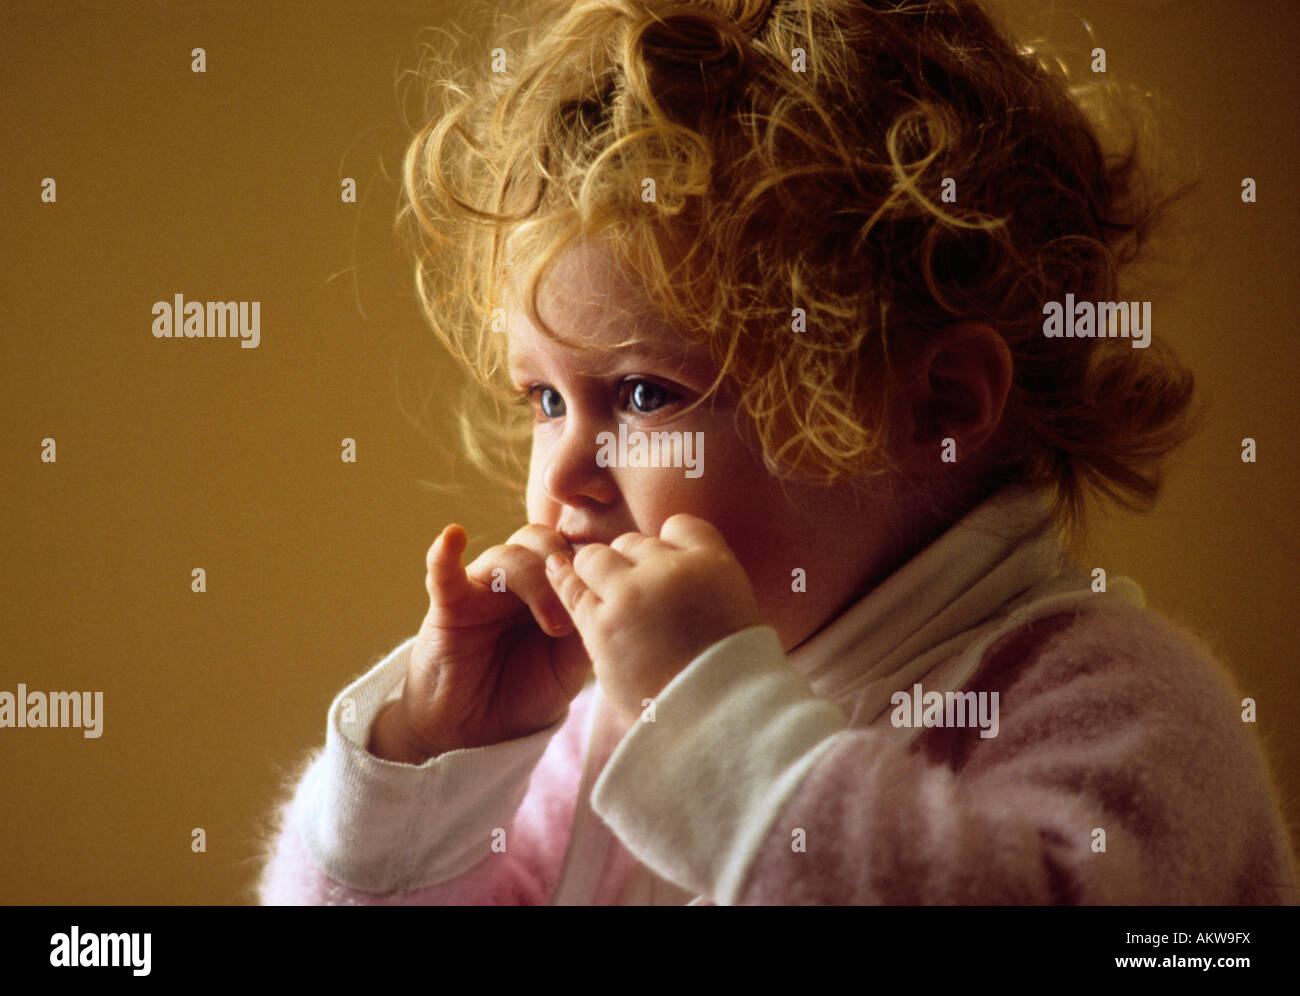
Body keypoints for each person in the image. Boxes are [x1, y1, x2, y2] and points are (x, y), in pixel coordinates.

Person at [257, 0, 1297, 904]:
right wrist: (431, 766)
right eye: (542, 398)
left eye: (640, 393)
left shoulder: (1125, 706)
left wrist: (720, 734)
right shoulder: (616, 723)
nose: (562, 475)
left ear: (936, 403)